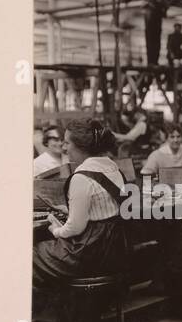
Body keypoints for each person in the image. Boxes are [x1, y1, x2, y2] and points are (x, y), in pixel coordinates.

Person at [32, 119, 130, 290]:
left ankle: (54, 310)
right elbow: (103, 207)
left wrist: (56, 230)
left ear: (80, 146)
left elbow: (75, 228)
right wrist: (71, 210)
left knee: (31, 254)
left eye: (67, 142)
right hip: (114, 251)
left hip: (89, 252)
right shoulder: (114, 169)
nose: (64, 148)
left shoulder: (81, 177)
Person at [143, 0, 168, 66]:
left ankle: (153, 61)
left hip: (156, 26)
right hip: (151, 25)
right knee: (151, 43)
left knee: (155, 44)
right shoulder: (150, 2)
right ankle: (151, 61)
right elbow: (144, 6)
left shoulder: (160, 3)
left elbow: (164, 13)